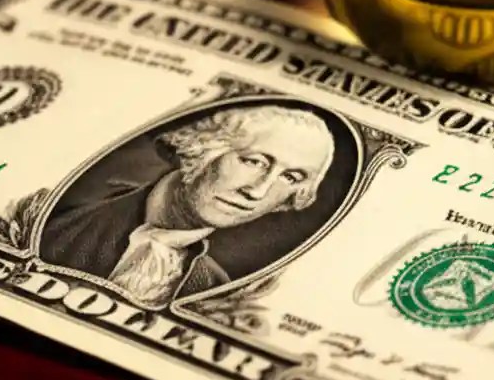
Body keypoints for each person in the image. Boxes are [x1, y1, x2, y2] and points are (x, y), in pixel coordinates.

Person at [41, 104, 335, 306]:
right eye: (253, 161)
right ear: (203, 151)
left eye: (290, 177)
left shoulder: (213, 285)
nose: (257, 191)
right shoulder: (57, 222)